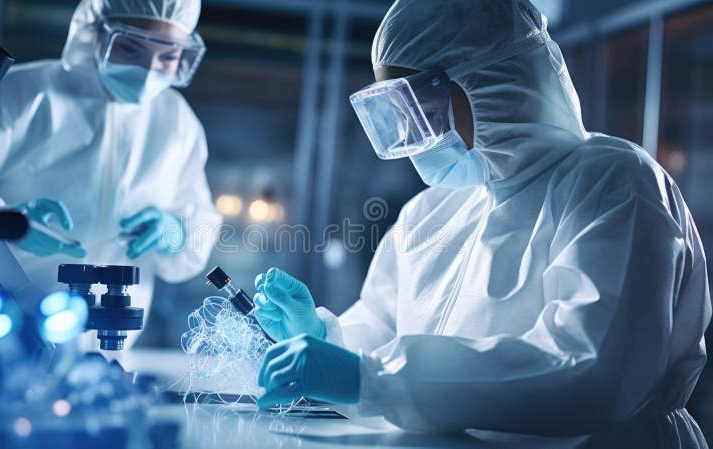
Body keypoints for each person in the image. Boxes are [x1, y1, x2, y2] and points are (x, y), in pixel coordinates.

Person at [252, 1, 711, 448]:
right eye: (397, 113)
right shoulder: (431, 213)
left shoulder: (613, 181)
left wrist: (368, 378)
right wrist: (323, 338)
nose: (413, 135)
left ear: (493, 80)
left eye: (420, 107)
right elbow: (383, 331)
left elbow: (591, 370)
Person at [0, 0, 222, 347]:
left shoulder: (177, 123)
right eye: (131, 47)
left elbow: (198, 235)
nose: (149, 69)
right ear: (95, 31)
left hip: (110, 348)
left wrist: (176, 233)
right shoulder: (26, 94)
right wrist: (4, 222)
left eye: (168, 56)